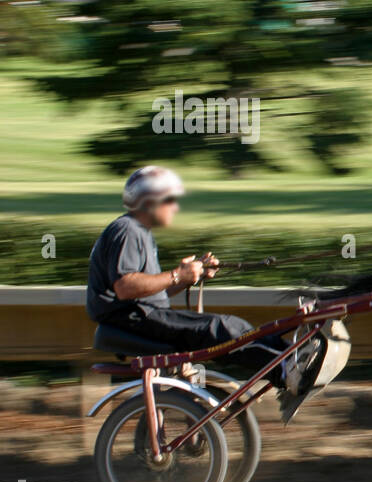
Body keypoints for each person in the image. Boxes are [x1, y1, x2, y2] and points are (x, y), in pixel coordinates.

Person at [86, 165, 322, 423]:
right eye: (170, 200)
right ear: (149, 200)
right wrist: (178, 275)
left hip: (143, 314)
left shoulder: (139, 232)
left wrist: (190, 276)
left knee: (233, 326)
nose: (175, 207)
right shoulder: (127, 230)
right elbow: (125, 287)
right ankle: (287, 369)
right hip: (134, 318)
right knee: (220, 328)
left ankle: (293, 359)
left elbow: (151, 290)